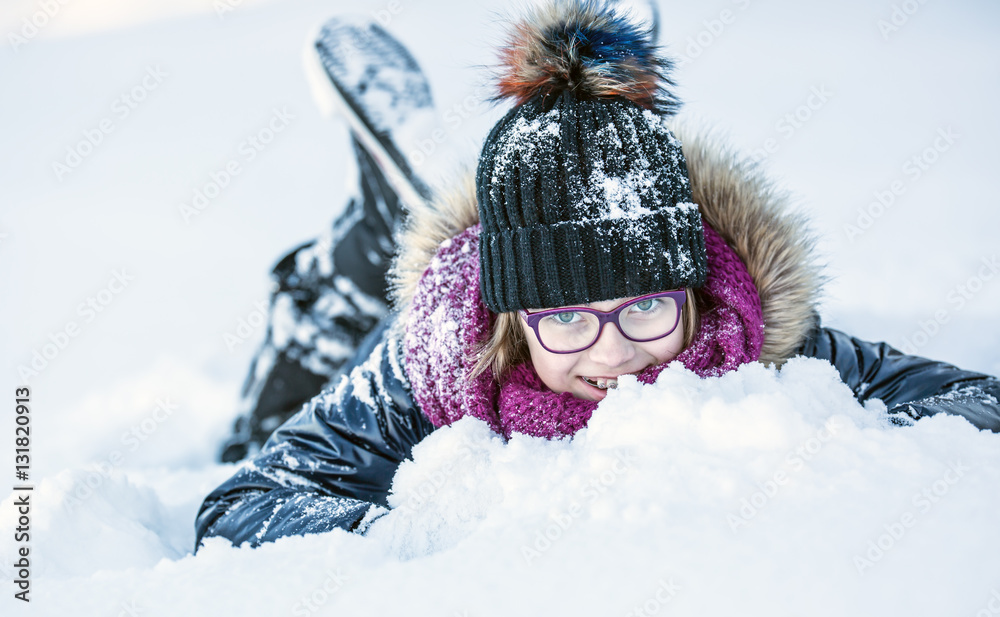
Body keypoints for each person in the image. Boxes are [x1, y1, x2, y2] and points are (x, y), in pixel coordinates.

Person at [196, 0, 1000, 550]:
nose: (616, 357)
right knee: (284, 384)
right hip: (411, 314)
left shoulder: (752, 336)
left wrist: (835, 453)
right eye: (570, 319)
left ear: (693, 291)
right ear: (514, 322)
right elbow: (238, 506)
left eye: (647, 304)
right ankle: (378, 225)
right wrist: (434, 530)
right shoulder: (438, 360)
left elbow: (974, 404)